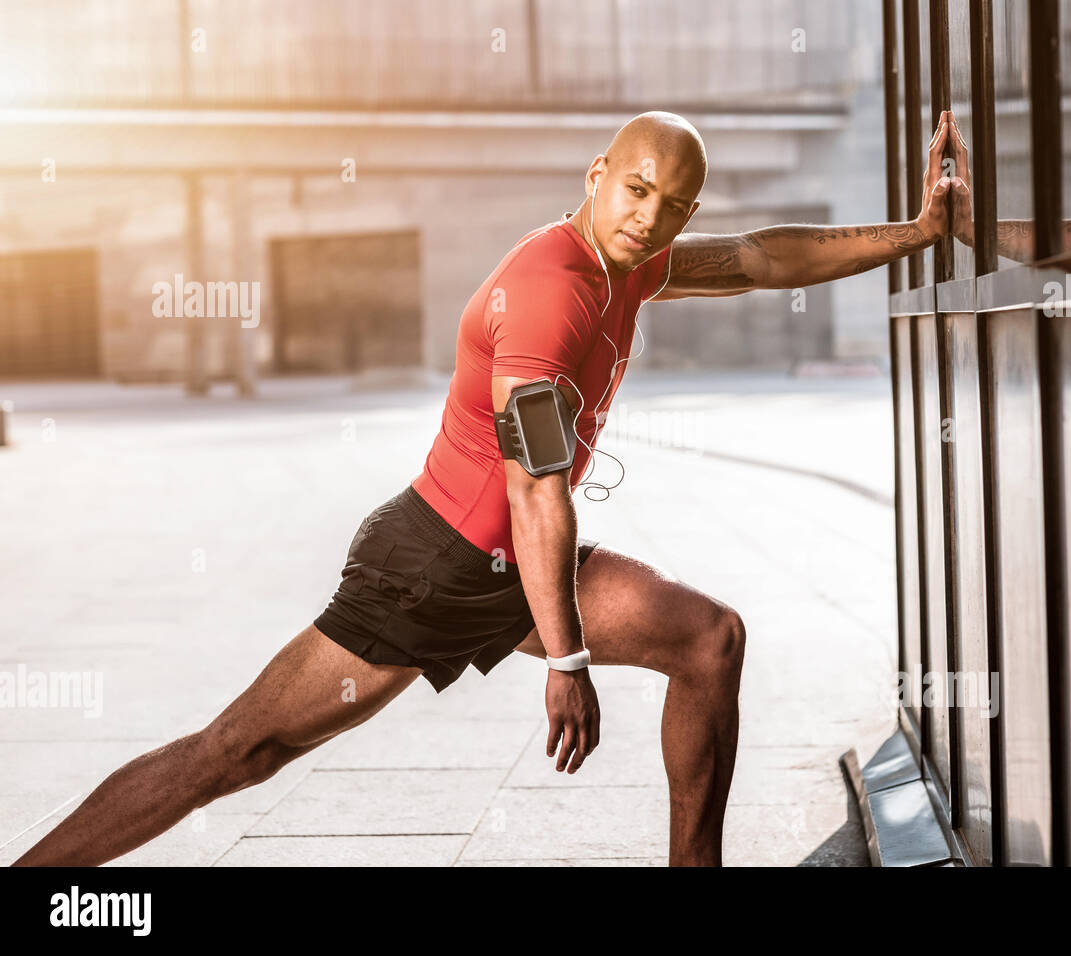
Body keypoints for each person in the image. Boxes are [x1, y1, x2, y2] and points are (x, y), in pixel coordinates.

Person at [14, 110, 954, 868]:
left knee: (710, 642)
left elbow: (760, 258)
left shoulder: (631, 261)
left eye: (672, 206)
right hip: (431, 566)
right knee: (238, 754)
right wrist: (567, 663)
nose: (649, 217)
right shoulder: (550, 289)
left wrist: (915, 233)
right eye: (634, 190)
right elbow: (536, 491)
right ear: (597, 174)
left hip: (512, 564)